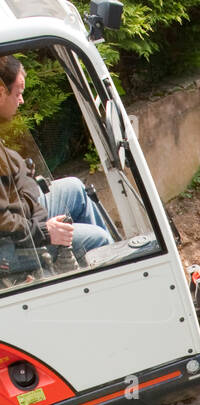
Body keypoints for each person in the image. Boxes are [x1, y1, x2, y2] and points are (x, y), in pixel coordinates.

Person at [0, 54, 111, 272]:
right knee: (98, 239)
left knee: (75, 189)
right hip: (7, 248)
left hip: (21, 217)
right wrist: (45, 231)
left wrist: (24, 176)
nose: (21, 101)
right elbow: (3, 222)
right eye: (18, 93)